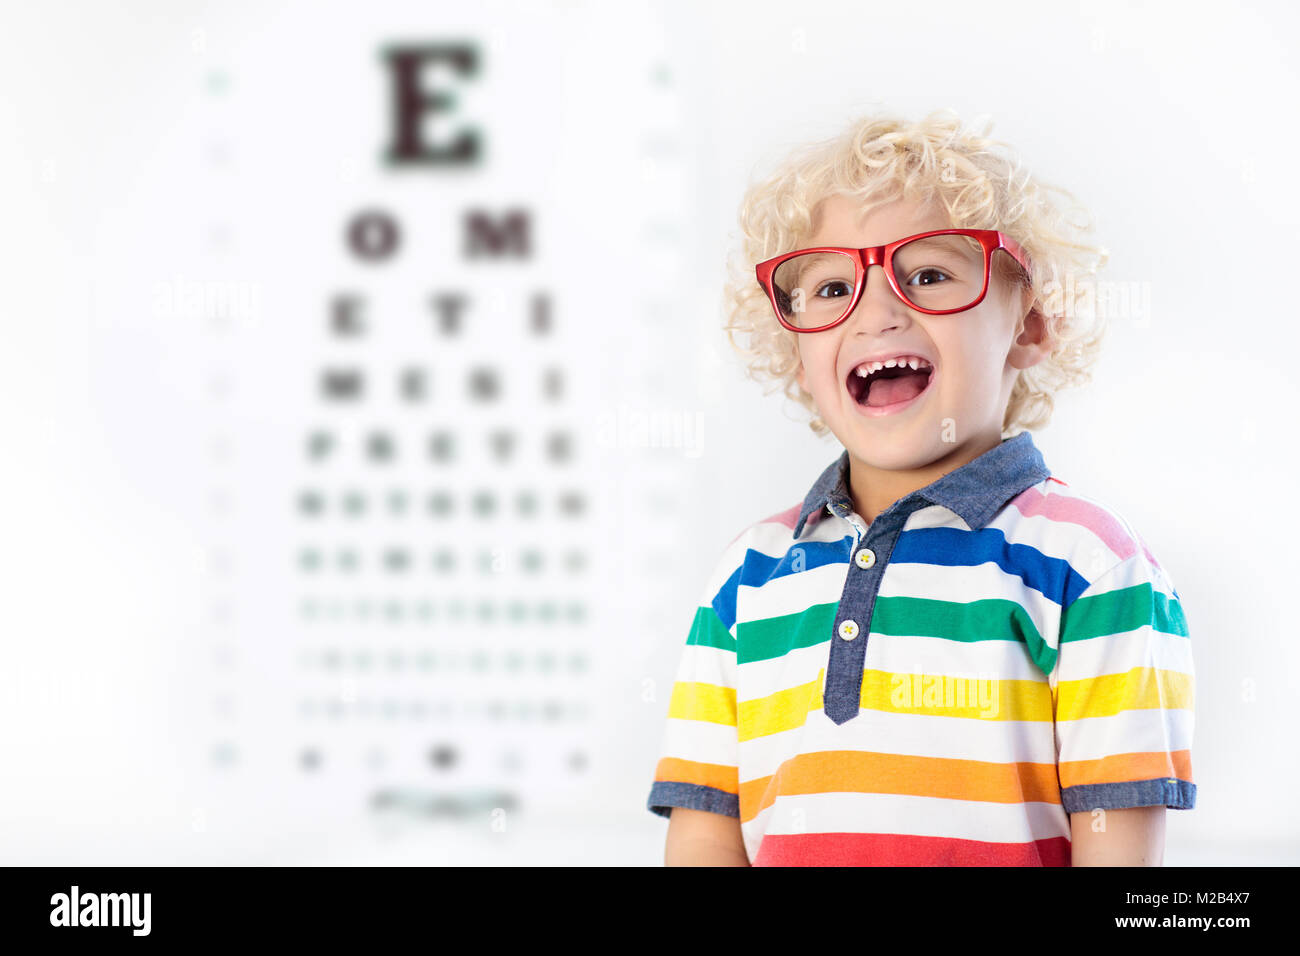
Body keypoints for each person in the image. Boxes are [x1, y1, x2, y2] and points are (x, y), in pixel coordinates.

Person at [645, 109, 1195, 866]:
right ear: (795, 345)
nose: (876, 312)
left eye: (930, 274)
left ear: (1030, 325)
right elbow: (704, 833)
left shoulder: (1093, 566)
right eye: (833, 286)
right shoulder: (748, 578)